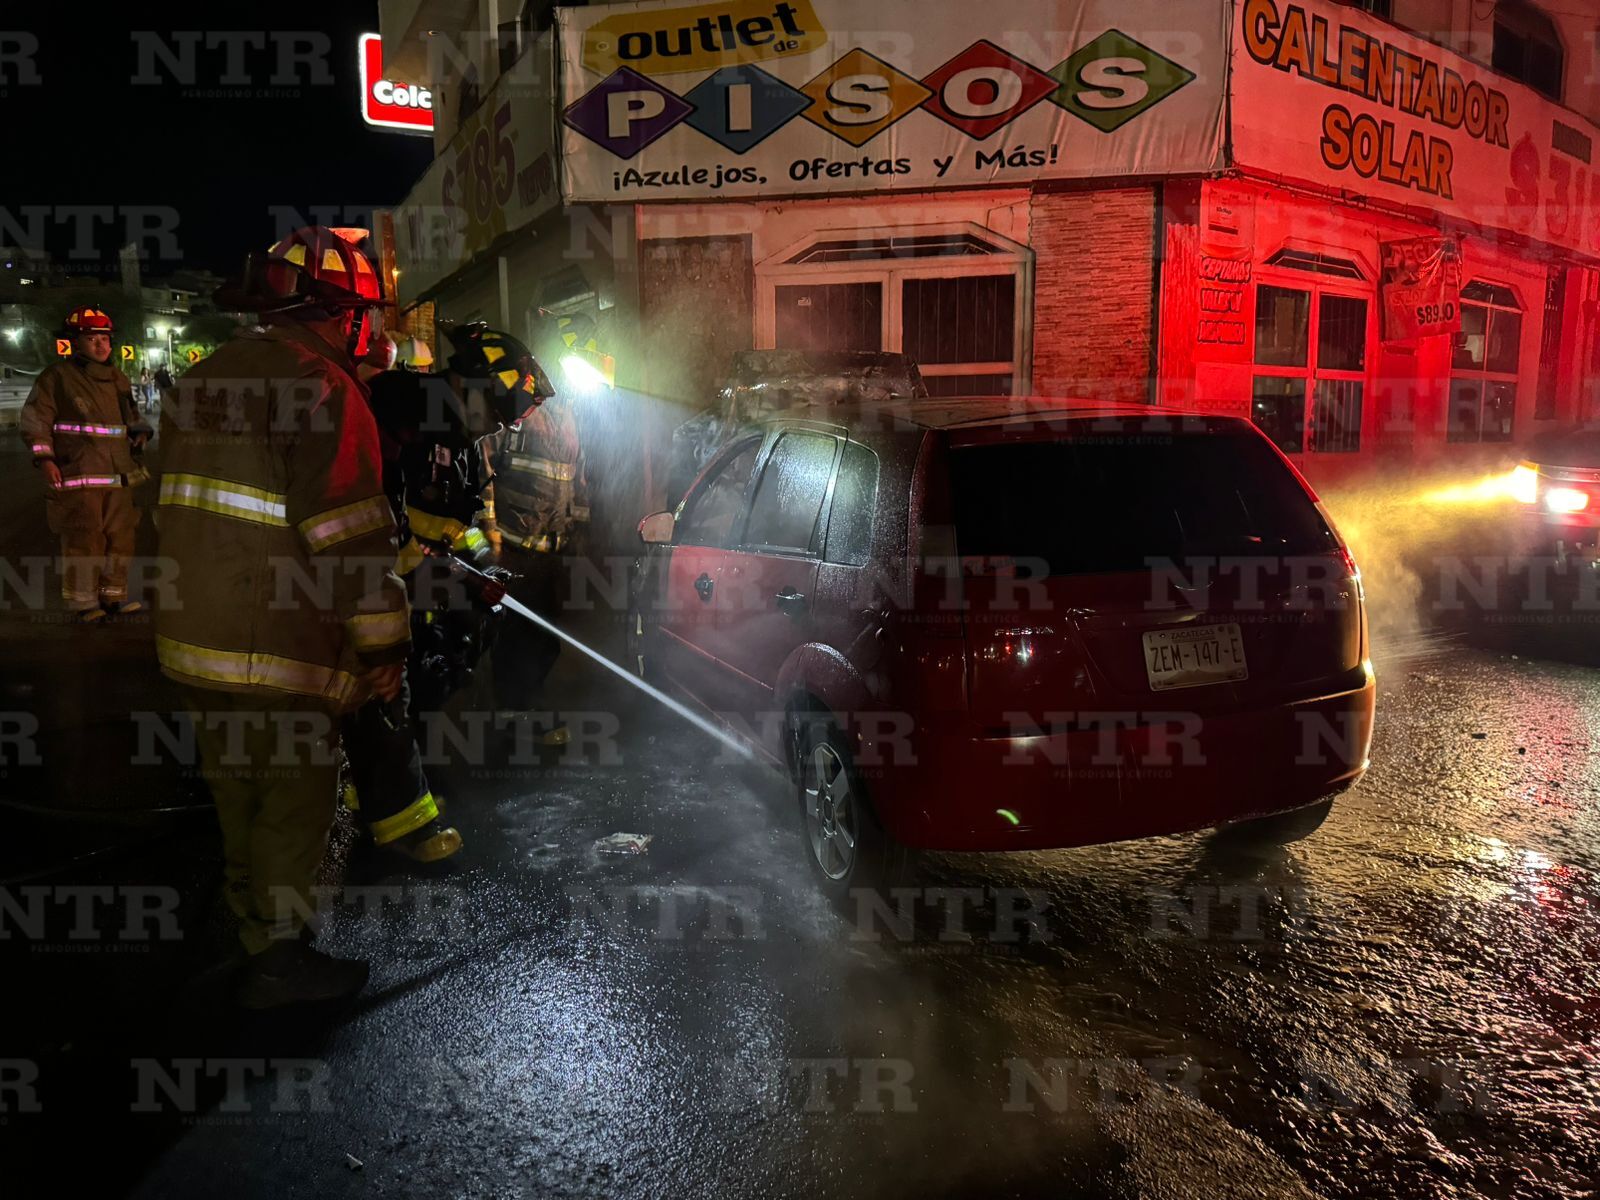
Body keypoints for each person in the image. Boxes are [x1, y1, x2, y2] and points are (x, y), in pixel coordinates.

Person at [155, 226, 409, 1008]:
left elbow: (160, 512)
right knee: (293, 806)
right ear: (345, 315)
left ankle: (251, 932)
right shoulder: (324, 388)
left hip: (192, 644)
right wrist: (382, 649)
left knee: (239, 795)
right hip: (279, 651)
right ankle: (278, 960)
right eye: (373, 317)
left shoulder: (202, 380)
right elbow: (351, 541)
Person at [336, 323, 543, 862]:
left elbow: (467, 516)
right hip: (379, 583)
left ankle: (396, 775)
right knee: (383, 685)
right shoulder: (398, 409)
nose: (492, 428)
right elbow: (378, 515)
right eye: (495, 414)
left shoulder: (464, 442)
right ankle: (392, 814)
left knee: (441, 666)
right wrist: (429, 563)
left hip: (430, 582)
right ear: (473, 386)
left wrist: (480, 565)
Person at [19, 307, 153, 623]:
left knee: (121, 537)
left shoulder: (118, 378)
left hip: (119, 475)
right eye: (91, 338)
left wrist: (140, 432)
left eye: (105, 338)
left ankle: (113, 598)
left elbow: (132, 416)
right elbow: (35, 420)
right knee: (84, 538)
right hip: (79, 473)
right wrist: (45, 458)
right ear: (75, 342)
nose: (100, 345)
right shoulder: (57, 377)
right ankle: (83, 603)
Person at [486, 349, 588, 748]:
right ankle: (516, 713)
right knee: (518, 636)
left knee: (544, 635)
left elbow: (575, 480)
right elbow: (484, 474)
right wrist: (490, 540)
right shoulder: (513, 415)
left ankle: (522, 708)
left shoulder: (568, 416)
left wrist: (577, 530)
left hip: (551, 548)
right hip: (515, 548)